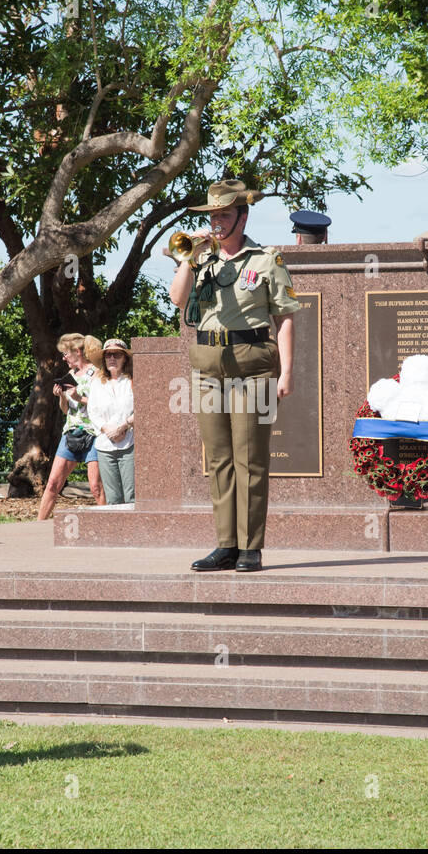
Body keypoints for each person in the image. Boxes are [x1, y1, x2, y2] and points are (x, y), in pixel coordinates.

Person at [169, 179, 298, 573]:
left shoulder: (266, 259)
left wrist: (287, 371)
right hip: (209, 367)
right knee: (220, 459)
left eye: (225, 214)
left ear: (243, 215)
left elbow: (285, 318)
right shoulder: (200, 260)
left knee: (251, 459)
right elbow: (177, 299)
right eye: (213, 215)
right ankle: (225, 544)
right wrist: (190, 258)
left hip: (252, 365)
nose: (217, 222)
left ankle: (250, 547)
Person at [37, 332, 107, 521]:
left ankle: (109, 524)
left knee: (96, 487)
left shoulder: (98, 372)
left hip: (93, 434)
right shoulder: (70, 375)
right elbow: (66, 410)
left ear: (78, 351)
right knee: (52, 484)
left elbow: (102, 404)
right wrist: (62, 397)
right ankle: (37, 525)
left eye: (66, 353)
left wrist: (80, 398)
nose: (64, 358)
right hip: (71, 433)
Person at [86, 338, 135, 505]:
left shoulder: (133, 381)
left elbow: (143, 408)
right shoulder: (97, 383)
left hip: (130, 442)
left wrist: (124, 426)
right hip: (104, 444)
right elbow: (92, 411)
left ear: (125, 359)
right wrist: (107, 429)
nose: (112, 358)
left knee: (132, 495)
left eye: (117, 355)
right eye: (108, 355)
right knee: (113, 498)